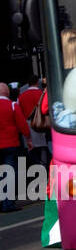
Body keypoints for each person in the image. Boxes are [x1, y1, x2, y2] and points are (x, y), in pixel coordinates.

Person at [0, 84, 28, 213]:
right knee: (10, 174)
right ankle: (8, 203)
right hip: (10, 144)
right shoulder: (12, 105)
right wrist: (28, 138)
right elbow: (22, 124)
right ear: (7, 92)